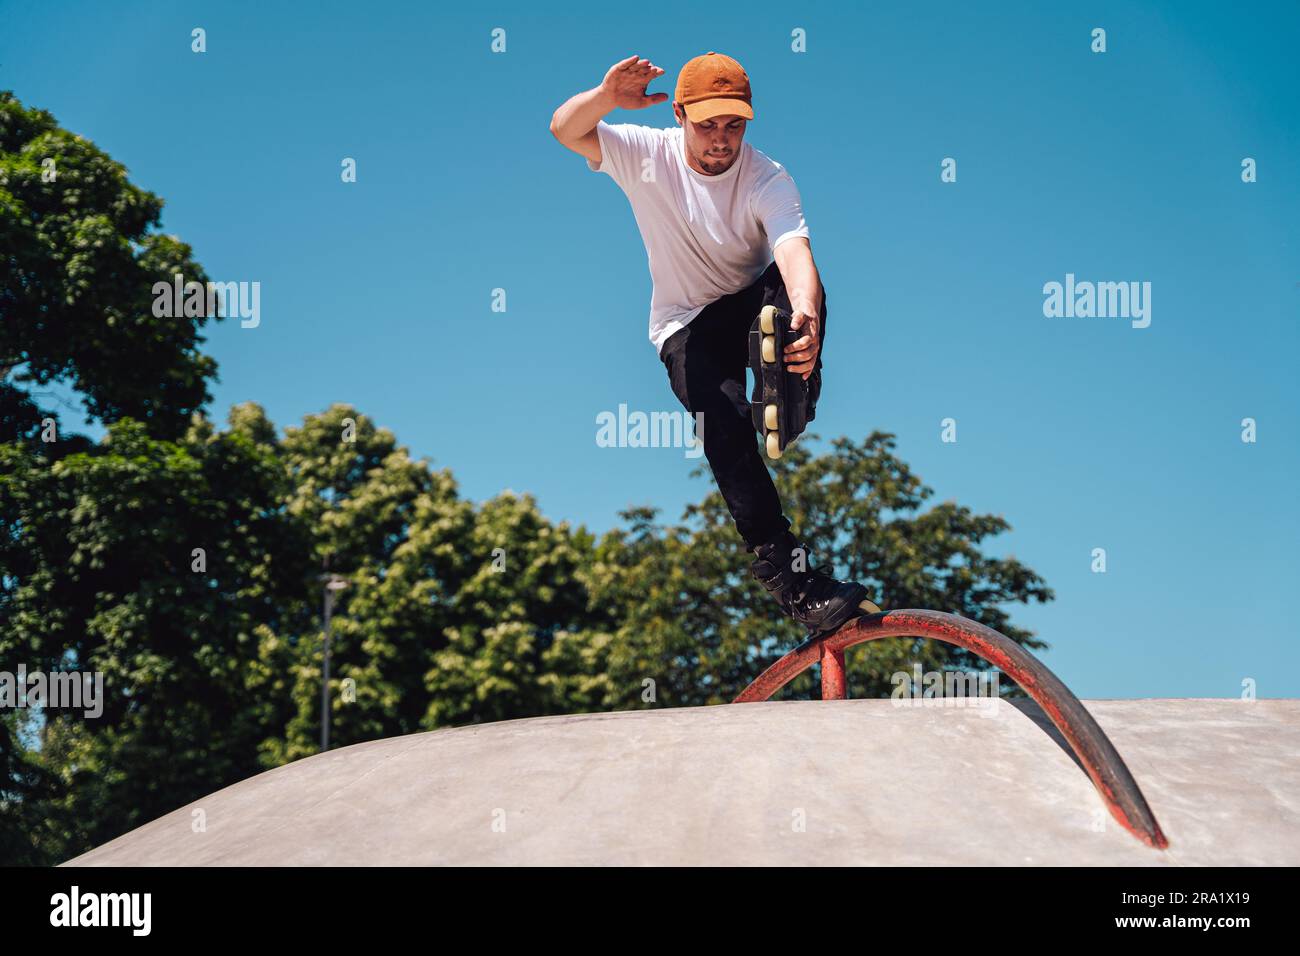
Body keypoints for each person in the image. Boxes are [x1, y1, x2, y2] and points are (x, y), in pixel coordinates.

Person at [550, 52, 880, 640]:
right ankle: (794, 580)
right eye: (707, 126)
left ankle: (792, 380)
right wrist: (605, 97)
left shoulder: (767, 177)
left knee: (796, 292)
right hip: (684, 325)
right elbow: (564, 130)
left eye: (734, 126)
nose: (722, 141)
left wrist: (808, 314)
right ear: (679, 114)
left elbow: (794, 251)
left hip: (754, 307)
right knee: (721, 422)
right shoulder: (644, 153)